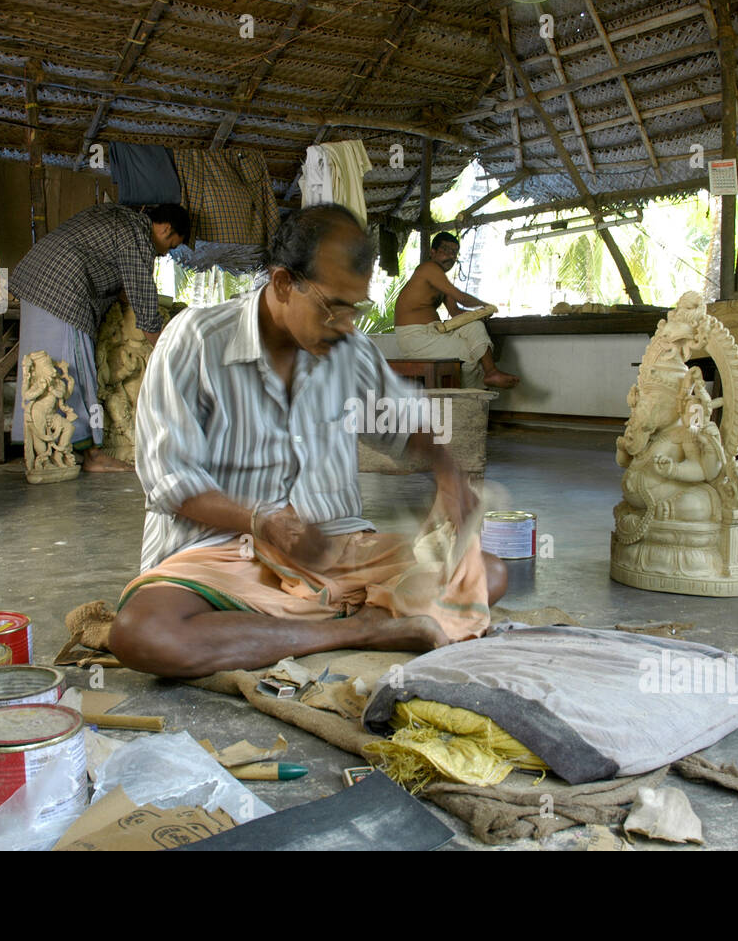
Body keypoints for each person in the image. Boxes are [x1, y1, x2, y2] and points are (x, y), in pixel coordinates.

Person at [109, 204, 507, 679]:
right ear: (282, 284)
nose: (345, 324)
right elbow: (168, 479)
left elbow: (403, 422)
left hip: (335, 548)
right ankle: (363, 628)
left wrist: (448, 473)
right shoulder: (195, 340)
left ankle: (285, 627)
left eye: (354, 308)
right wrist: (259, 518)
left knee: (488, 571)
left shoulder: (347, 348)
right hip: (223, 550)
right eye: (333, 306)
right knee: (143, 633)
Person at [9, 201, 189, 472]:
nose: (165, 253)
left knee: (38, 368)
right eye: (172, 246)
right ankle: (92, 454)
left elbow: (121, 283)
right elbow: (144, 303)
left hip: (37, 281)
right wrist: (167, 352)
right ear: (165, 229)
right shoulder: (137, 236)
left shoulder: (118, 219)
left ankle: (42, 446)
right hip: (62, 291)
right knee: (71, 370)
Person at [395, 231, 520, 389]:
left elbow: (455, 311)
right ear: (432, 252)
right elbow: (462, 298)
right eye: (446, 250)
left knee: (473, 326)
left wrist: (478, 316)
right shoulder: (428, 268)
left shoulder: (440, 278)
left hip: (433, 333)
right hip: (414, 337)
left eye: (454, 252)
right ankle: (469, 395)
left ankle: (490, 373)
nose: (451, 256)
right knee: (471, 353)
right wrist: (487, 307)